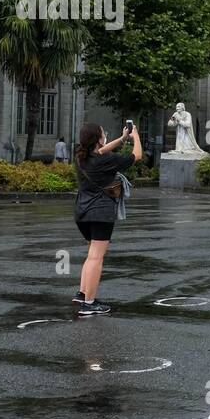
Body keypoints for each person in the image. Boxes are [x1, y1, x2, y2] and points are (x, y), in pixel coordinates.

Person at [72, 122, 141, 316]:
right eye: (104, 134)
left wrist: (121, 138)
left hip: (82, 212)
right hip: (100, 212)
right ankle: (89, 303)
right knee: (96, 256)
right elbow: (137, 156)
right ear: (99, 139)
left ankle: (83, 293)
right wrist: (135, 138)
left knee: (91, 254)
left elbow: (101, 151)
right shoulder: (106, 160)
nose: (105, 137)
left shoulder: (79, 155)